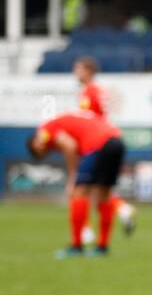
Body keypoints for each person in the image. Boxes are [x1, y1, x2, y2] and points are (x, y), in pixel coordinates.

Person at [27, 109, 128, 258]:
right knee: (104, 194)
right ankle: (102, 247)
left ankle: (76, 246)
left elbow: (69, 146)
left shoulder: (45, 130)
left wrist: (73, 176)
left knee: (78, 192)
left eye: (40, 150)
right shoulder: (62, 123)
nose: (43, 149)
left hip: (97, 144)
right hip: (117, 141)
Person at [73, 56, 135, 237]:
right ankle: (122, 209)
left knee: (84, 188)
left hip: (96, 143)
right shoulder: (100, 91)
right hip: (108, 139)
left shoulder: (88, 93)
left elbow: (86, 120)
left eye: (78, 69)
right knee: (99, 189)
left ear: (89, 71)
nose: (75, 73)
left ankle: (86, 231)